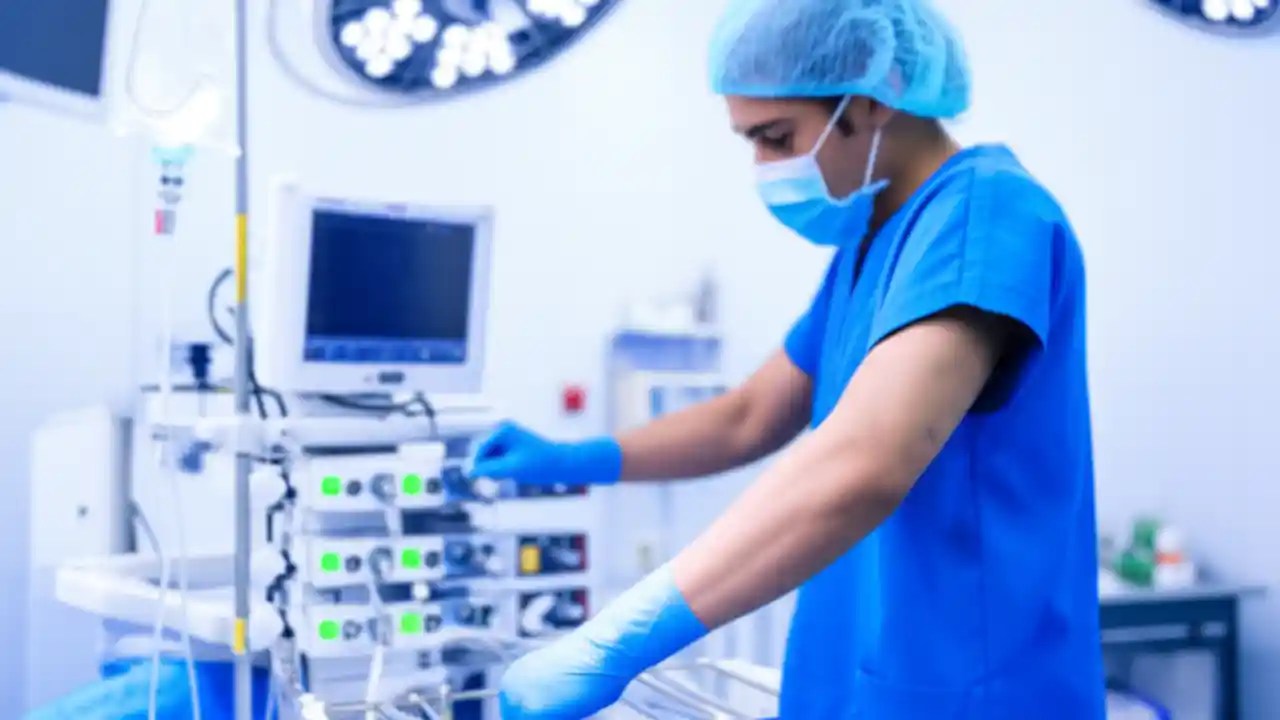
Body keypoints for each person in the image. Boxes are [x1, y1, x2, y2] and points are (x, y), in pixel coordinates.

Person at [479, 0, 1105, 717]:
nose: (764, 167)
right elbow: (748, 417)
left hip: (965, 690)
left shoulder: (984, 213)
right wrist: (572, 460)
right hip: (853, 682)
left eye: (777, 137)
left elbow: (865, 462)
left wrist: (615, 641)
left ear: (869, 101)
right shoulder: (870, 241)